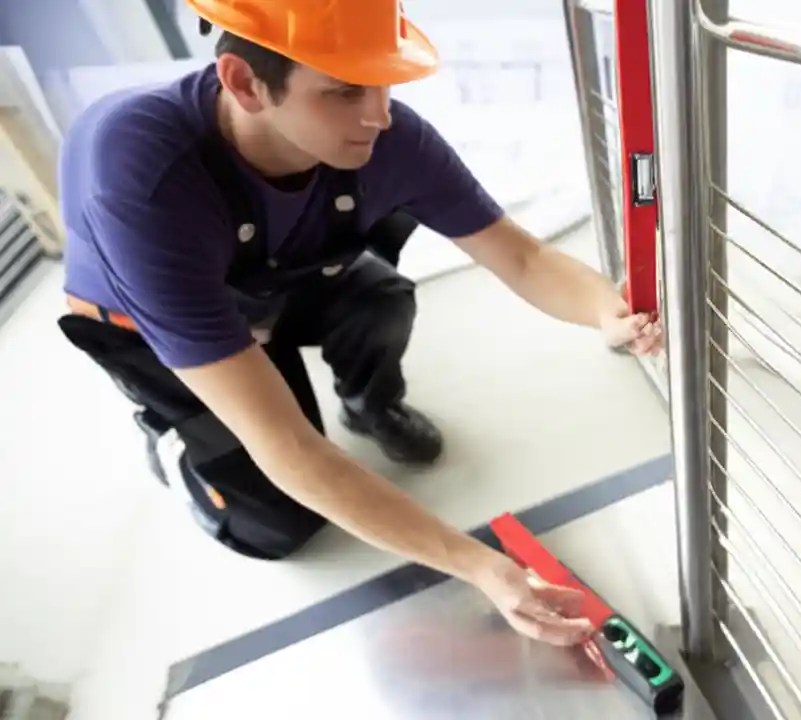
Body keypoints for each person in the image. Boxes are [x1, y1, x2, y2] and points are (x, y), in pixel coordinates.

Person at [56, 0, 661, 647]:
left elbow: (521, 254)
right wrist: (481, 566)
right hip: (155, 322)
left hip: (277, 277)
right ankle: (172, 437)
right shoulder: (142, 177)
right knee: (281, 522)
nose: (379, 115)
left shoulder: (389, 137)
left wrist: (607, 309)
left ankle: (368, 405)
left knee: (382, 297)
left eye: (383, 81)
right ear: (244, 83)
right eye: (344, 92)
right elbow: (287, 448)